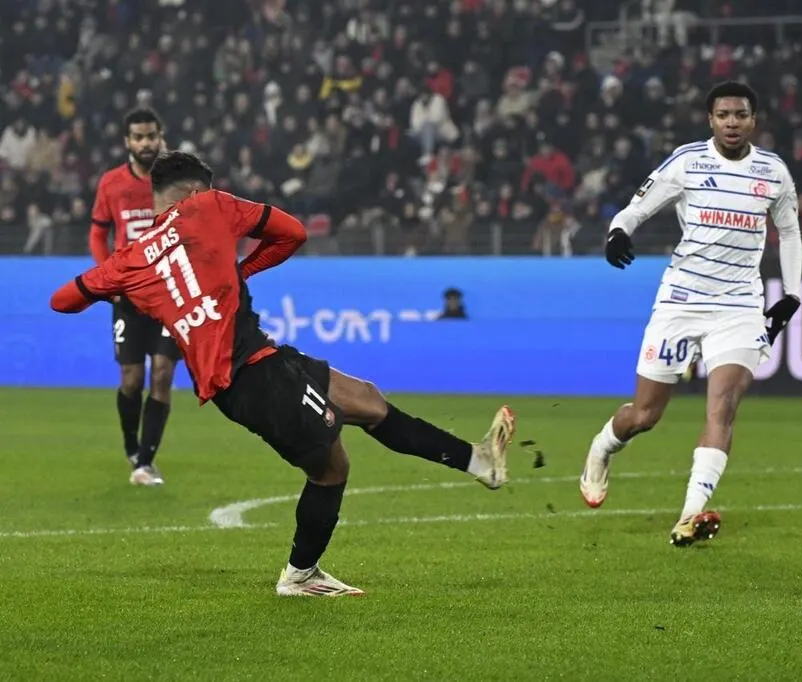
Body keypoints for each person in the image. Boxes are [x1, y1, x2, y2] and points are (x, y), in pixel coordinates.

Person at [52, 151, 516, 597]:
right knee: (332, 468)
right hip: (251, 378)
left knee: (368, 401)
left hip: (259, 362)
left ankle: (481, 462)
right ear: (195, 190)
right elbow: (292, 233)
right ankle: (300, 574)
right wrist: (241, 271)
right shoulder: (211, 205)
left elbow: (63, 300)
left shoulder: (130, 260)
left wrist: (126, 290)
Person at [578, 82, 802, 546]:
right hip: (681, 302)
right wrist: (618, 231)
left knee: (723, 405)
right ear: (711, 120)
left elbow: (791, 232)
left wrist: (791, 296)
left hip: (739, 305)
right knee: (643, 416)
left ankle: (690, 514)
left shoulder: (774, 172)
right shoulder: (687, 162)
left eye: (741, 114)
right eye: (723, 115)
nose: (732, 122)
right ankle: (602, 448)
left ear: (753, 120)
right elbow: (637, 208)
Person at [90, 108, 179, 486]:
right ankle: (131, 446)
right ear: (128, 141)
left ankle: (145, 462)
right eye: (138, 137)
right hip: (129, 294)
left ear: (161, 137)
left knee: (161, 373)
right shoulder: (112, 184)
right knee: (131, 378)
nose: (145, 143)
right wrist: (107, 278)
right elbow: (98, 233)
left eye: (150, 136)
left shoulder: (178, 181)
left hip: (171, 294)